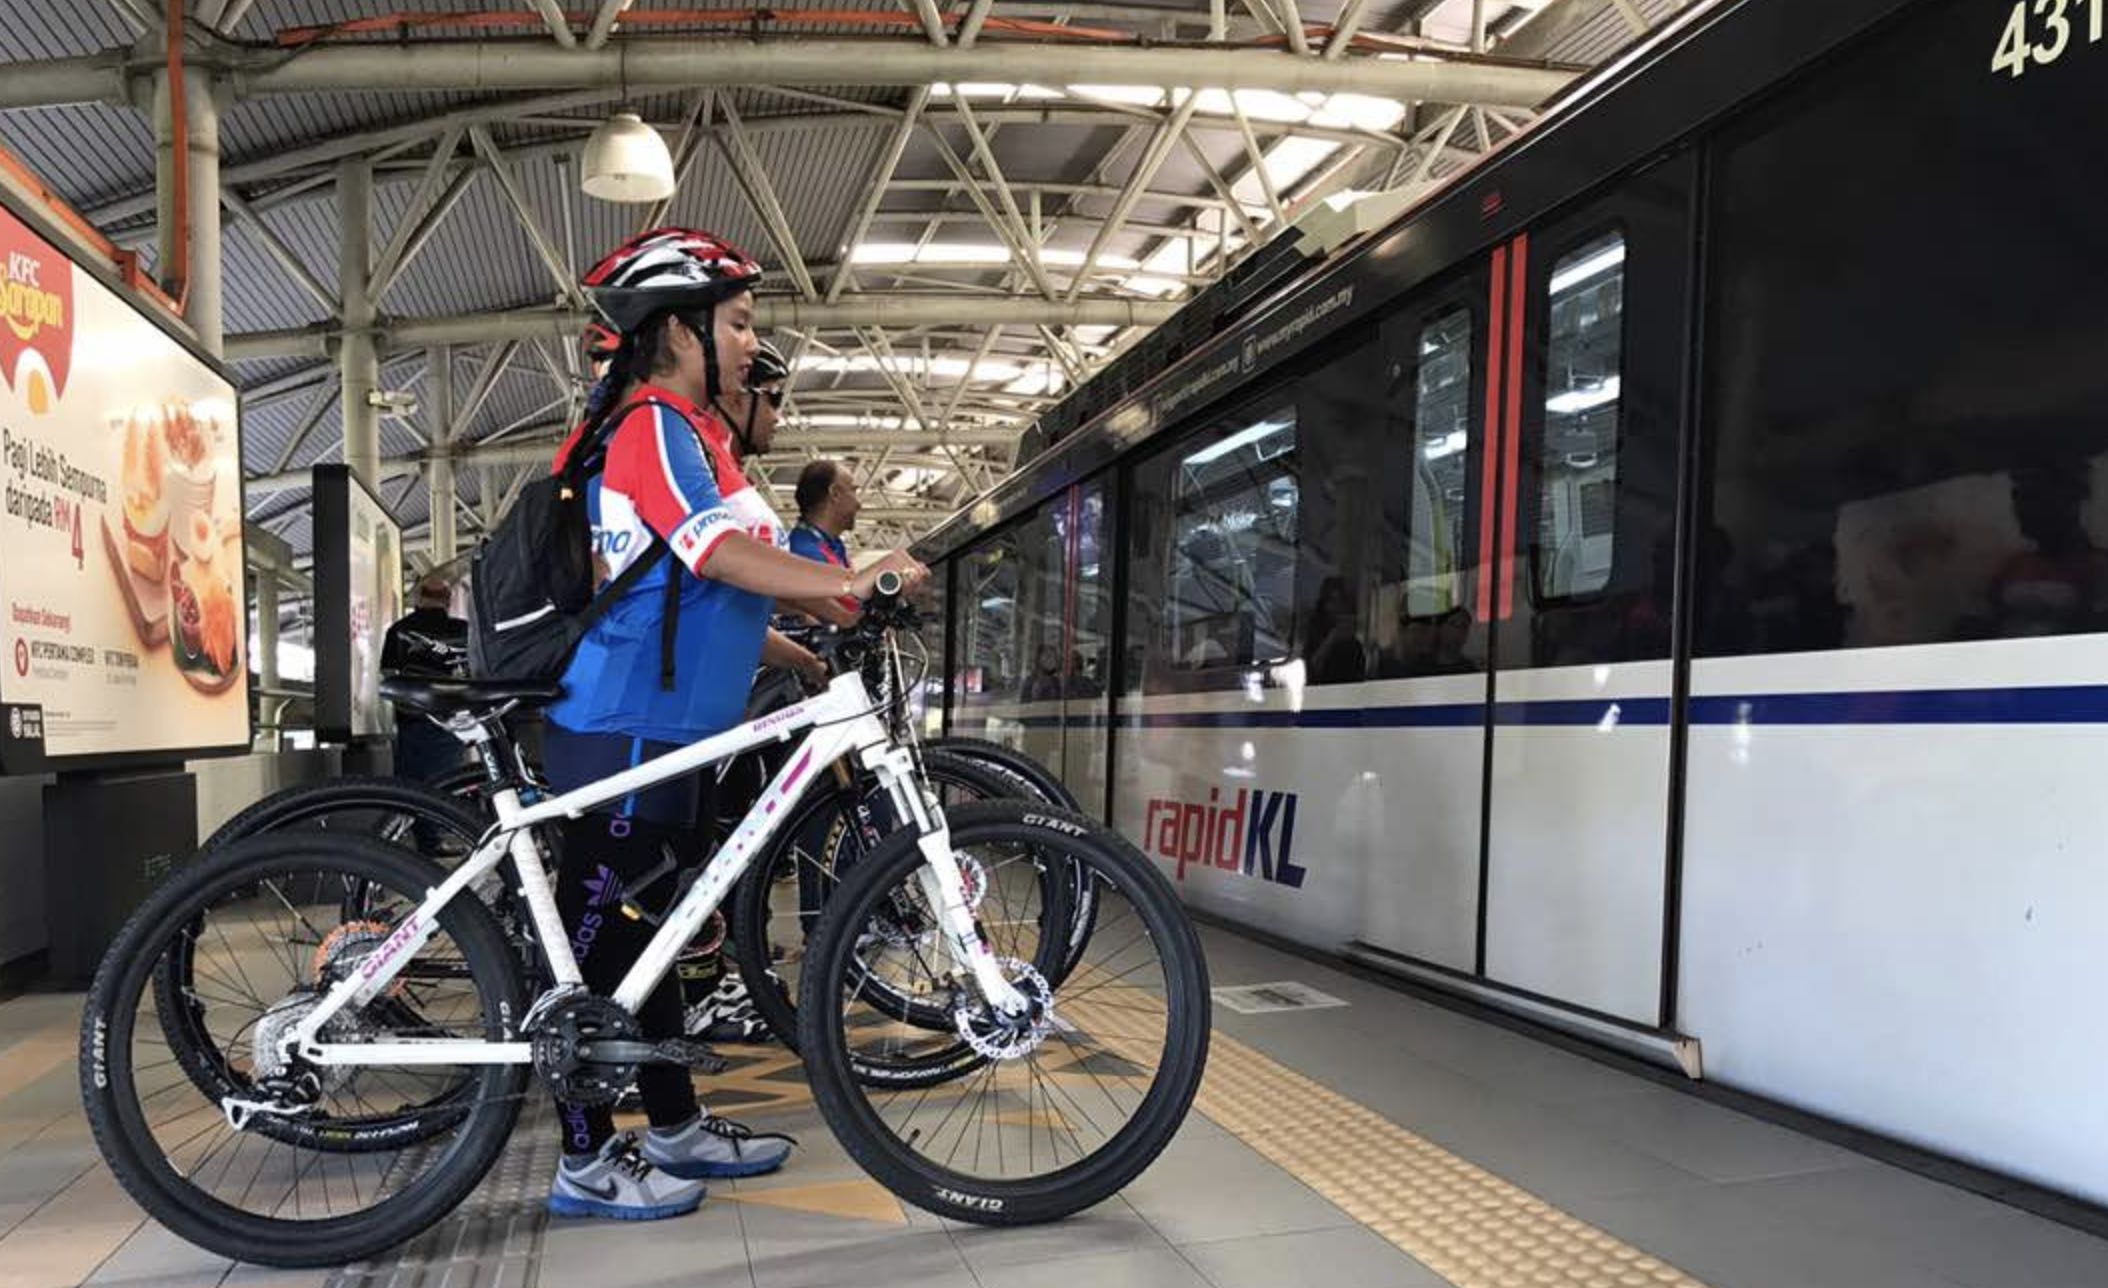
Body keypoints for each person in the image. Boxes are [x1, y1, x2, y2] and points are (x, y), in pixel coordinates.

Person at [540, 227, 928, 1221]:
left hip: (674, 731)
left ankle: (670, 1126)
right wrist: (843, 577)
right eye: (740, 322)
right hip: (624, 729)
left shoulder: (699, 438)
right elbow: (709, 554)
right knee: (609, 953)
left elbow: (693, 593)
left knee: (659, 941)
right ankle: (583, 1160)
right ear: (677, 333)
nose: (755, 345)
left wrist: (823, 624)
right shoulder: (650, 425)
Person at [380, 573, 469, 790]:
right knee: (449, 783)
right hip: (451, 718)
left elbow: (388, 672)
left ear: (419, 598)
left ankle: (412, 821)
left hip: (412, 717)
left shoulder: (399, 629)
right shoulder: (463, 630)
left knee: (411, 785)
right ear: (447, 600)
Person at [786, 460, 863, 628]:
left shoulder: (832, 546)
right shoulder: (804, 553)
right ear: (835, 493)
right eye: (854, 491)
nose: (859, 504)